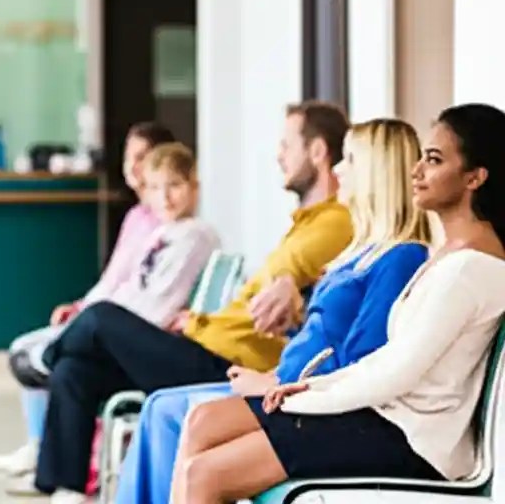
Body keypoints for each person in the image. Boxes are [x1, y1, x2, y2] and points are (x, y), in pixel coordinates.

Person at [171, 104, 505, 504]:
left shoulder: (470, 267)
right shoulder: (446, 255)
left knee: (206, 474)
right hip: (384, 421)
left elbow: (394, 375)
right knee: (204, 435)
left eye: (433, 160)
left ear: (475, 176)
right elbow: (384, 362)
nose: (416, 171)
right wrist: (306, 386)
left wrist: (305, 397)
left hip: (410, 441)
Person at [32, 101, 354, 503]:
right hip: (204, 342)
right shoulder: (304, 226)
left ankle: (44, 356)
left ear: (318, 152)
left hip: (227, 362)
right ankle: (67, 490)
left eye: (286, 144)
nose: (278, 155)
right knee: (76, 369)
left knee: (98, 321)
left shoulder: (336, 225)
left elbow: (314, 310)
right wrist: (199, 321)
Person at [116, 118, 431, 504]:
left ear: (374, 175)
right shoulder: (361, 254)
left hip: (323, 405)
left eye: (348, 159)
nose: (337, 170)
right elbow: (327, 336)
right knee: (197, 419)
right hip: (291, 384)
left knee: (197, 454)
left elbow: (361, 359)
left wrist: (275, 383)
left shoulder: (401, 257)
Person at [0, 122, 178, 478]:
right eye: (129, 157)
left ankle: (48, 449)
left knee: (44, 358)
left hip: (129, 329)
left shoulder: (167, 227)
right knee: (30, 352)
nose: (134, 167)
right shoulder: (136, 217)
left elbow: (140, 297)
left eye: (143, 158)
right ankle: (41, 446)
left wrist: (87, 315)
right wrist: (80, 306)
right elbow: (112, 280)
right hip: (107, 316)